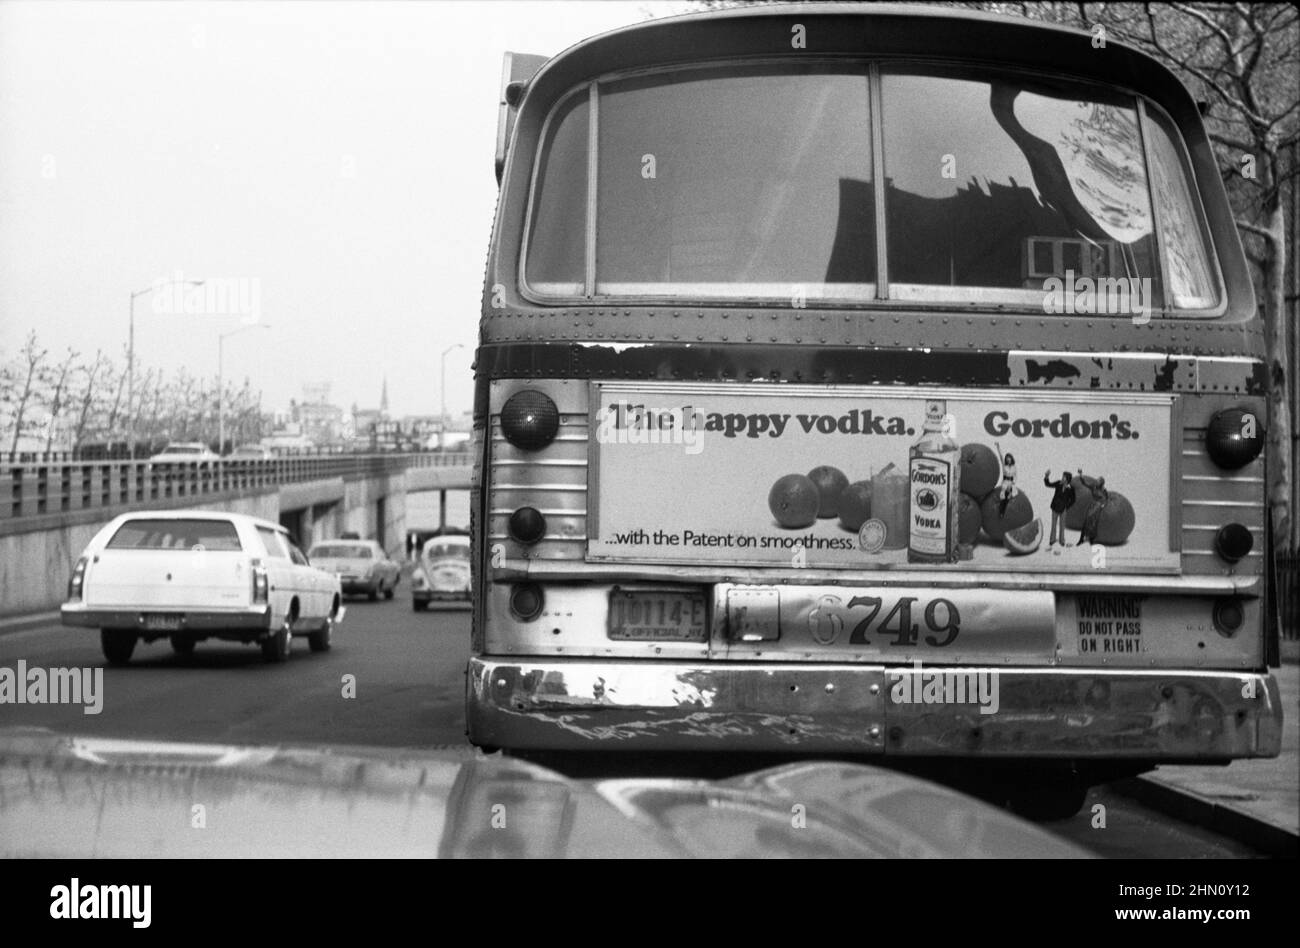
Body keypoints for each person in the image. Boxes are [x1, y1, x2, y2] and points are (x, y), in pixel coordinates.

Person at [1043, 469, 1075, 551]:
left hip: (1063, 509)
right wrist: (1046, 477)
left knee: (1062, 525)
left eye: (1064, 477)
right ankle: (1052, 540)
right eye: (1062, 476)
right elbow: (1048, 484)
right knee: (1053, 524)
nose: (1062, 478)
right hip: (1055, 507)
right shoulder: (1058, 484)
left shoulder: (1071, 489)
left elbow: (1073, 499)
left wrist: (1067, 507)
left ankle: (1062, 541)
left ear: (1067, 479)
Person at [1076, 472, 1109, 545]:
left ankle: (1091, 539)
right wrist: (1081, 475)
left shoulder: (1103, 490)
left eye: (1098, 481)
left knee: (1093, 523)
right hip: (1093, 505)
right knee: (1086, 521)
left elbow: (1106, 498)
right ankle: (1081, 539)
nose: (1096, 481)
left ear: (1101, 483)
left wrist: (1103, 505)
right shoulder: (1093, 486)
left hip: (1098, 506)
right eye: (1097, 480)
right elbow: (1084, 483)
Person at [996, 445, 1018, 516]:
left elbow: (1015, 476)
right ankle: (1001, 512)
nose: (1008, 460)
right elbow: (1001, 456)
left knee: (1009, 496)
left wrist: (1012, 484)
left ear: (1011, 459)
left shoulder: (1014, 467)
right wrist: (998, 447)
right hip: (1005, 482)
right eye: (1007, 459)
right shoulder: (1004, 466)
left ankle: (1003, 511)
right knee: (1004, 497)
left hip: (1011, 483)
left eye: (1009, 459)